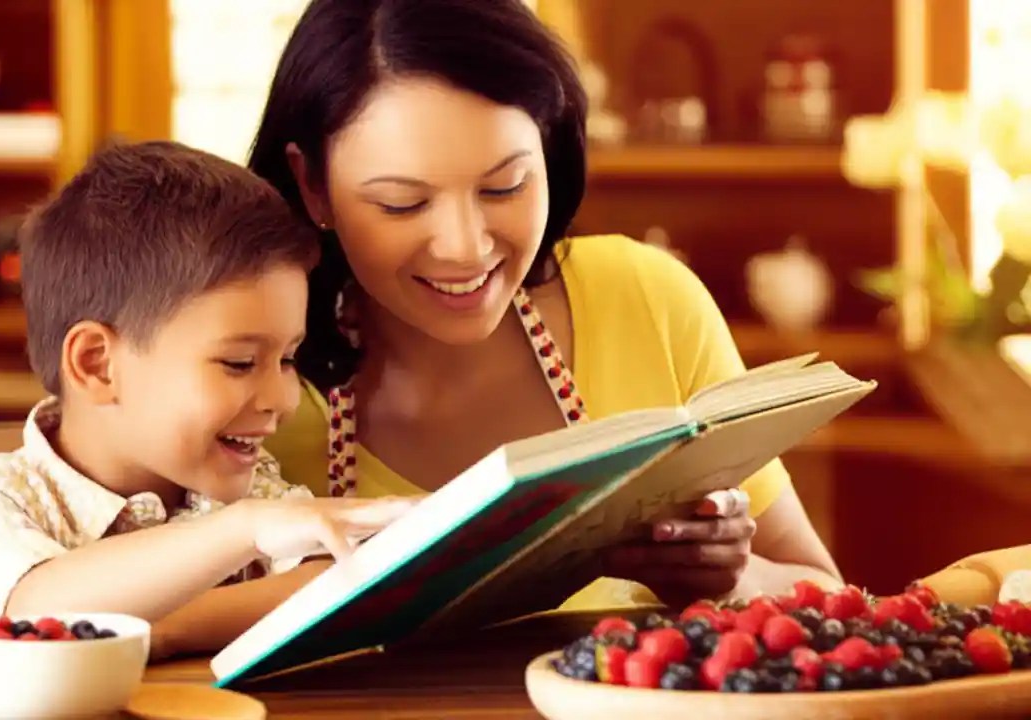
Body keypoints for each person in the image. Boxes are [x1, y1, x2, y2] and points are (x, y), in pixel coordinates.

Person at [250, 0, 842, 610]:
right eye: (403, 203)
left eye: (505, 186)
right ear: (312, 184)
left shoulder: (645, 298)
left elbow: (825, 591)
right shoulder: (248, 376)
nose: (466, 247)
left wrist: (734, 580)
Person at [0, 141, 416, 657]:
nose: (283, 397)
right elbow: (31, 619)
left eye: (288, 359)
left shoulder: (247, 486)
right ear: (96, 364)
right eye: (240, 363)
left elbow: (332, 585)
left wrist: (159, 629)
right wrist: (243, 531)